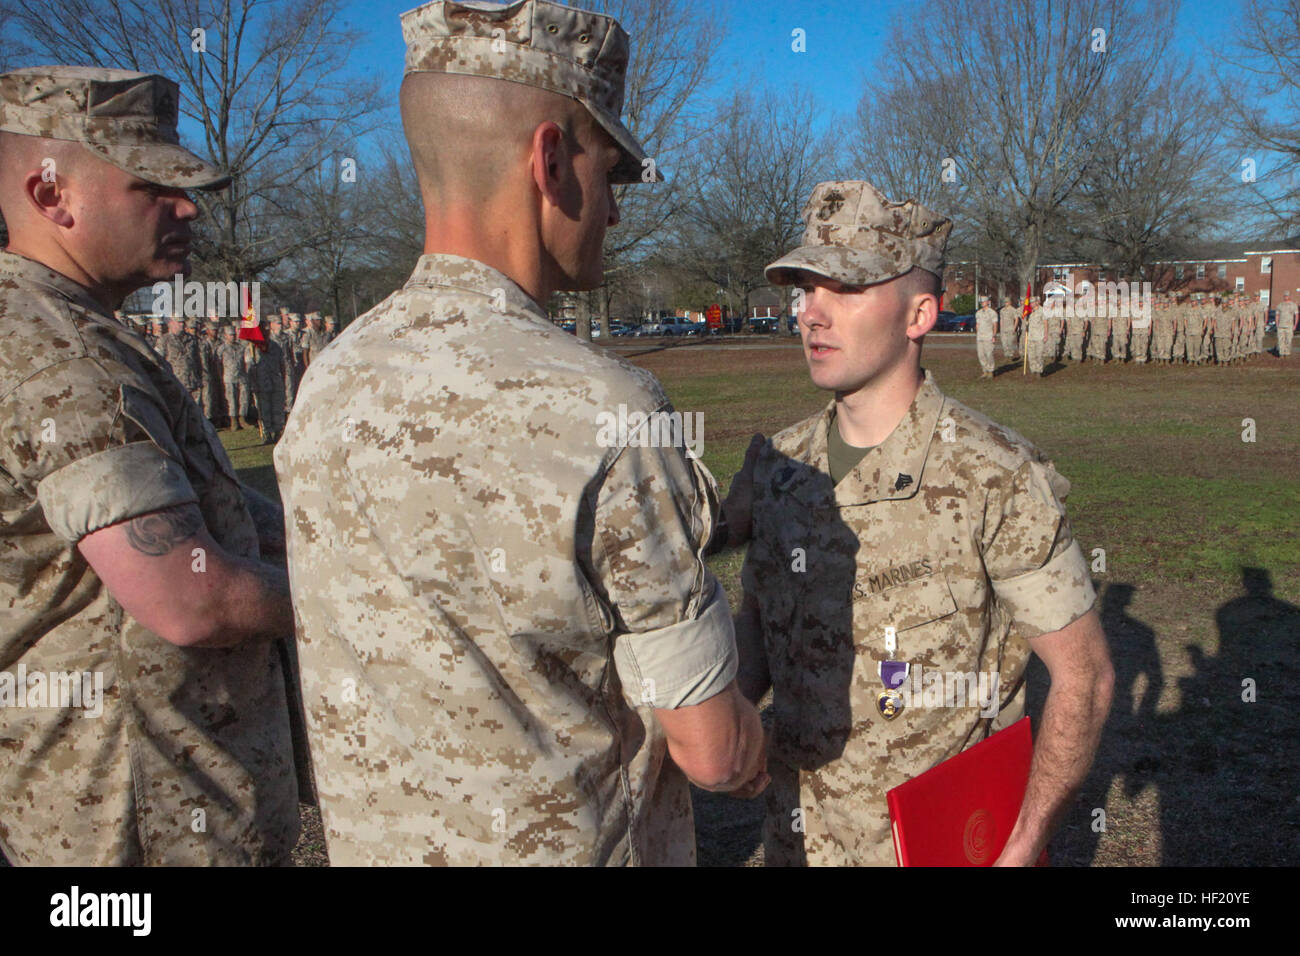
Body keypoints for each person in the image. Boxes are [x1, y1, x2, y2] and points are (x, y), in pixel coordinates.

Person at [274, 0, 767, 866]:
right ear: (548, 159)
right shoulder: (607, 410)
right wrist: (764, 744)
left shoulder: (328, 382)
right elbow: (713, 750)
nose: (613, 211)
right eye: (610, 173)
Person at [737, 180, 1113, 866]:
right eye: (803, 290)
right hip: (798, 847)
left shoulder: (993, 474)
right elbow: (757, 650)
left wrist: (1025, 842)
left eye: (844, 291)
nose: (811, 315)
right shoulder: (778, 467)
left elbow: (1084, 676)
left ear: (919, 315)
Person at [0, 65, 301, 864]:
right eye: (150, 187)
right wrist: (366, 603)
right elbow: (187, 596)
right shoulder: (62, 355)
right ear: (50, 194)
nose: (187, 207)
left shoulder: (77, 327)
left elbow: (221, 518)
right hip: (143, 822)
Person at [217, 325, 250, 430]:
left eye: (234, 334)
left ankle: (242, 419)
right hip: (229, 377)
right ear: (225, 336)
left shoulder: (241, 347)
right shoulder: (221, 348)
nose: (233, 337)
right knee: (231, 400)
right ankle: (234, 421)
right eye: (230, 335)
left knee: (243, 399)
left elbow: (246, 361)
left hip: (241, 376)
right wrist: (220, 376)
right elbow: (218, 364)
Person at [974, 295, 996, 377]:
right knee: (981, 355)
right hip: (980, 337)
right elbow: (977, 324)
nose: (982, 303)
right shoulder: (978, 313)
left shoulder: (992, 313)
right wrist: (978, 333)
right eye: (981, 302)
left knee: (989, 354)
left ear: (987, 302)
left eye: (983, 302)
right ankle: (985, 370)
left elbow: (995, 324)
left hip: (989, 336)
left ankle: (990, 370)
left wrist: (994, 335)